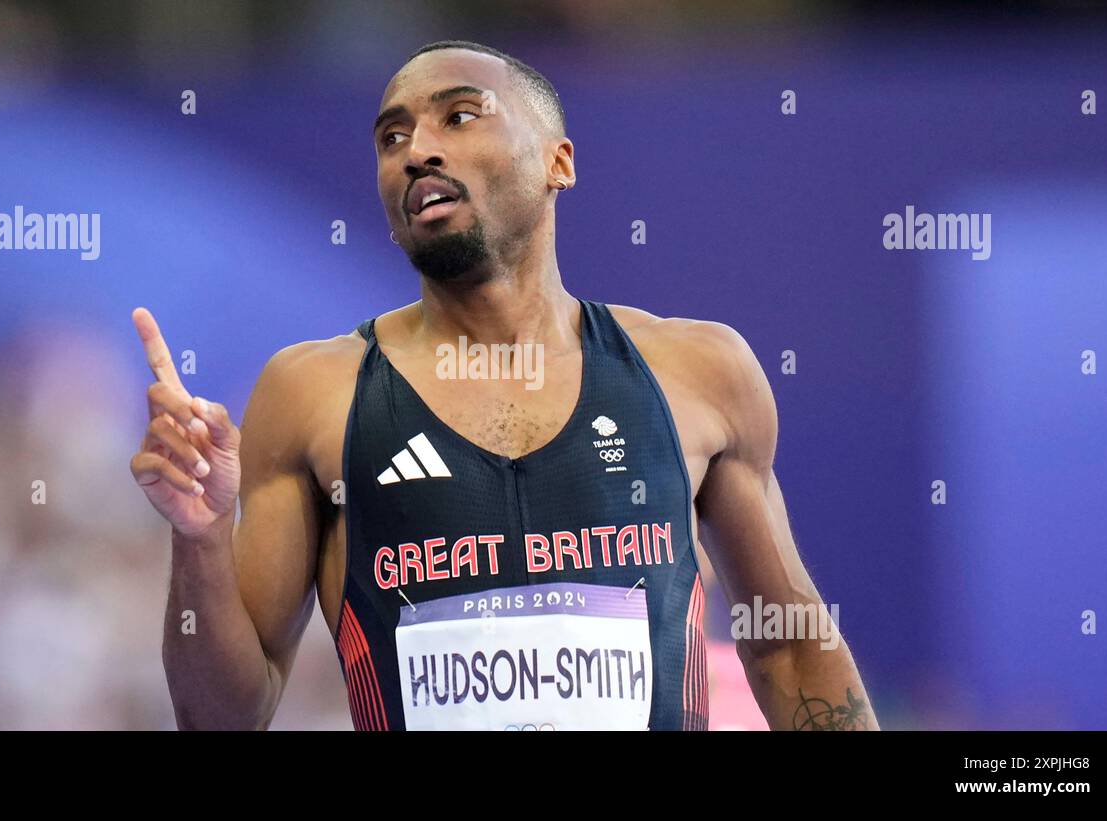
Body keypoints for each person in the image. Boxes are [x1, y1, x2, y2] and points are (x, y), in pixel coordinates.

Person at [130, 40, 877, 731]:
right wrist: (199, 540)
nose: (417, 151)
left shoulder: (700, 372)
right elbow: (221, 716)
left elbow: (790, 651)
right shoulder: (314, 393)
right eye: (391, 138)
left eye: (459, 116)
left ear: (559, 163)